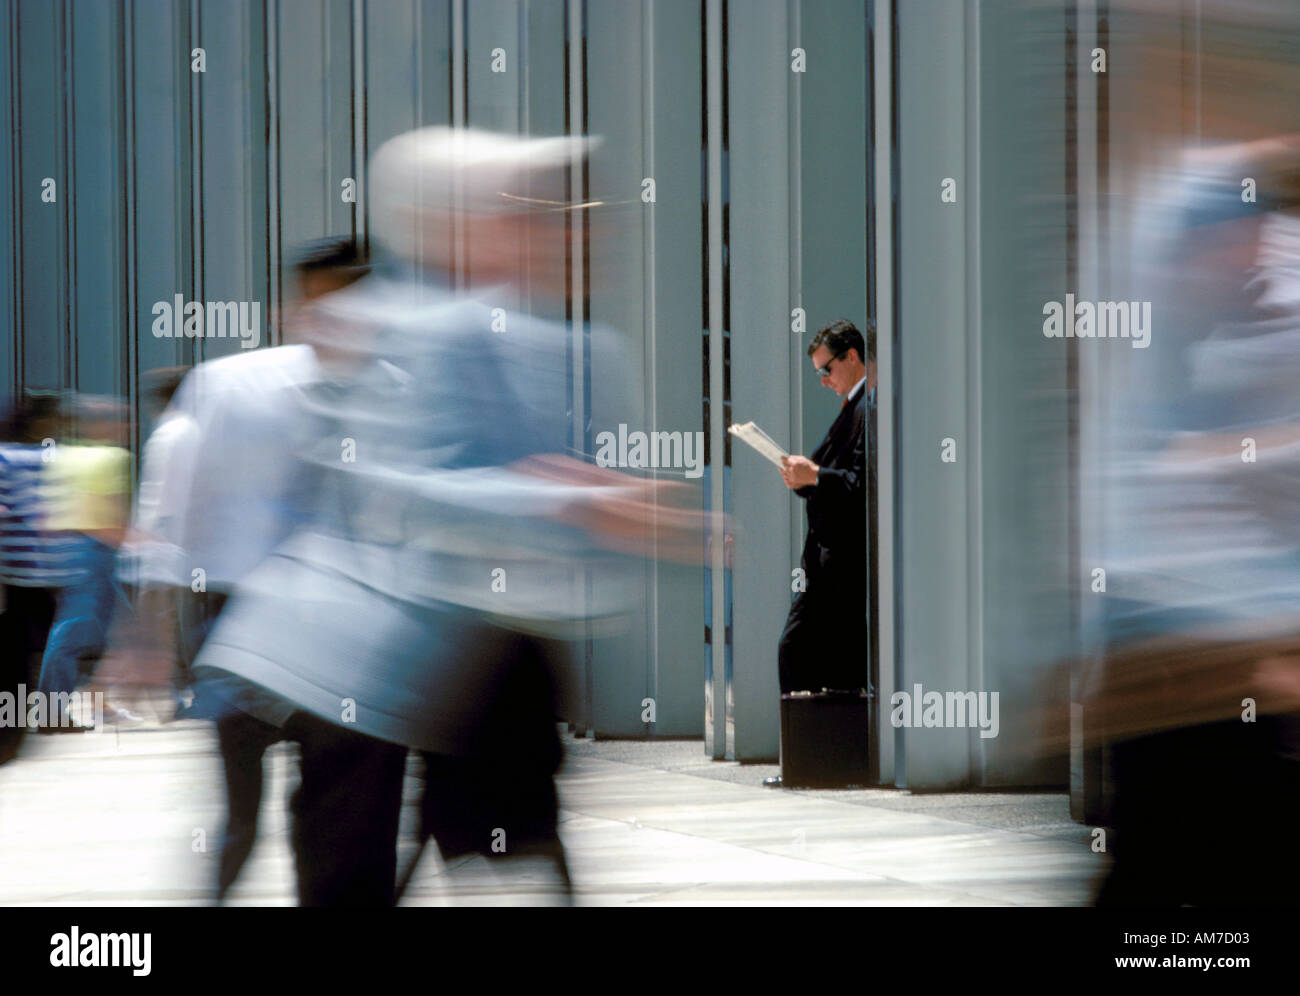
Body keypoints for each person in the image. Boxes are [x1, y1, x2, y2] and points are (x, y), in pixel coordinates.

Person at [129, 237, 370, 901]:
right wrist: (148, 641)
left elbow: (172, 525)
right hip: (257, 626)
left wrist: (149, 641)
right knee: (260, 813)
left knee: (298, 814)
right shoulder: (226, 387)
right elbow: (175, 522)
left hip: (315, 628)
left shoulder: (386, 389)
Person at [764, 318, 877, 788]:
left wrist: (816, 478)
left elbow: (860, 484)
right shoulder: (854, 406)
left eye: (826, 369)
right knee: (824, 660)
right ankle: (814, 764)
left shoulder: (869, 408)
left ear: (852, 356)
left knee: (800, 650)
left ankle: (811, 764)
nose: (824, 380)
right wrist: (805, 480)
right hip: (829, 564)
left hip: (844, 566)